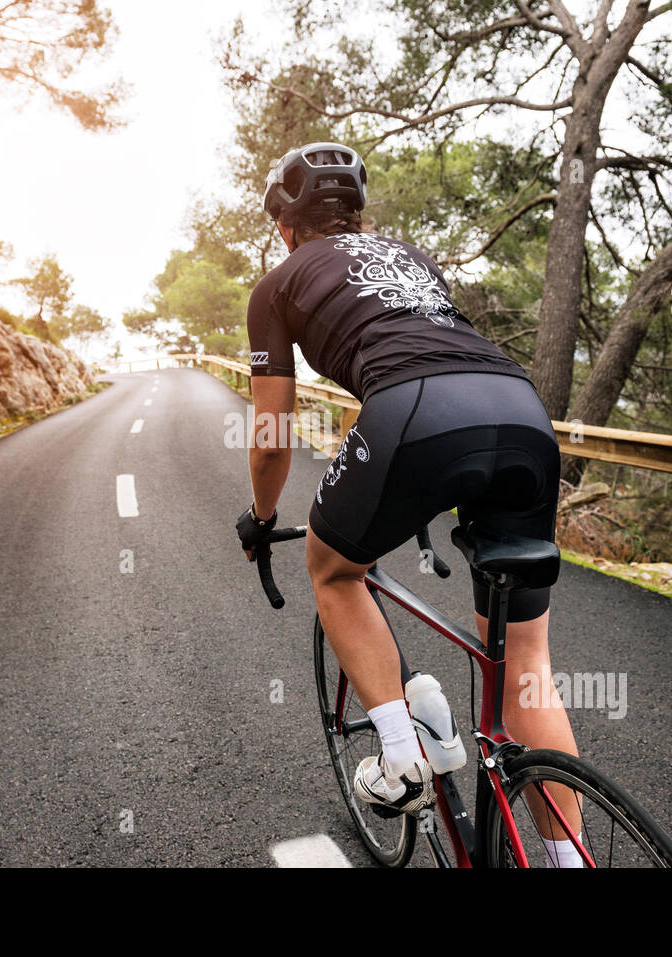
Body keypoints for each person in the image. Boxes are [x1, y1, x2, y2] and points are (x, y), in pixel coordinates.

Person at [235, 143, 581, 860]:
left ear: (285, 225)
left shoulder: (277, 283)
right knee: (526, 662)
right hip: (521, 412)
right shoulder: (413, 257)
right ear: (357, 216)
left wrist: (262, 518)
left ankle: (401, 757)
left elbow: (270, 437)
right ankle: (569, 859)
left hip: (414, 412)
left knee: (334, 569)